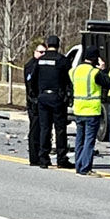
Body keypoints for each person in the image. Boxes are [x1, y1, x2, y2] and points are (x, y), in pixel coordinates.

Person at [30, 35, 74, 169]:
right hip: (57, 98)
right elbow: (68, 79)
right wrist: (67, 96)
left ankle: (43, 158)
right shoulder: (62, 60)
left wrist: (36, 95)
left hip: (43, 98)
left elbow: (33, 80)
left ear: (48, 45)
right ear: (58, 45)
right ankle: (61, 159)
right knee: (60, 129)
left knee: (45, 128)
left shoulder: (40, 60)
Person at [72, 46, 110, 176]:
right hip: (91, 110)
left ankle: (78, 166)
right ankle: (85, 168)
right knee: (89, 140)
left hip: (78, 109)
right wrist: (103, 69)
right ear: (95, 58)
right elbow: (108, 83)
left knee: (79, 139)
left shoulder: (74, 71)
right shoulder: (95, 72)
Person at [24, 43, 46, 166]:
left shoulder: (42, 65)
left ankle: (41, 155)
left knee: (43, 129)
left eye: (44, 52)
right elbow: (30, 84)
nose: (43, 55)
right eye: (41, 52)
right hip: (34, 103)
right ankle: (34, 157)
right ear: (35, 52)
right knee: (35, 130)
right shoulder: (31, 65)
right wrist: (34, 99)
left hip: (42, 102)